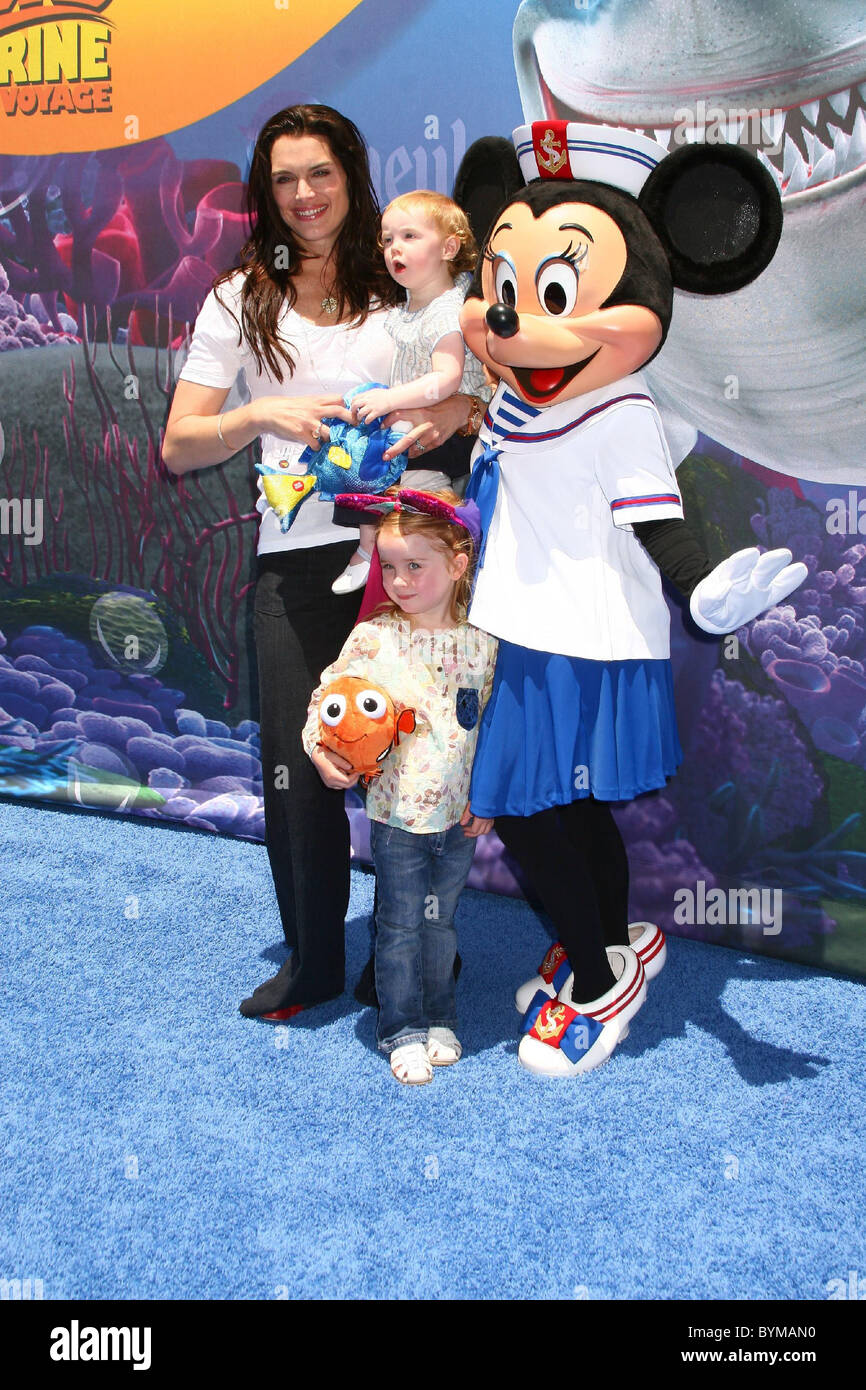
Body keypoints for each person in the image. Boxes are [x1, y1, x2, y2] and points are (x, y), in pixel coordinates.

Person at [162, 104, 479, 1020]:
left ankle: (409, 950)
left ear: (352, 173)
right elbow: (182, 442)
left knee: (413, 760)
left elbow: (469, 397)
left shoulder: (407, 282)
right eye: (286, 177)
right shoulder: (238, 297)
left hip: (406, 563)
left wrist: (434, 422)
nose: (305, 195)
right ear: (268, 189)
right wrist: (262, 416)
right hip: (295, 564)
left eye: (322, 173)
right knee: (299, 769)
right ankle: (313, 959)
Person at [302, 490, 498, 1084]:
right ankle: (402, 1029)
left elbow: (494, 728)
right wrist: (317, 748)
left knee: (441, 924)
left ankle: (440, 1017)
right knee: (399, 924)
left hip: (460, 817)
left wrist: (488, 796)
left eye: (416, 566)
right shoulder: (373, 638)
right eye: (389, 567)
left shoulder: (484, 641)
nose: (400, 581)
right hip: (395, 817)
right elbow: (328, 699)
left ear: (459, 564)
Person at [331, 191, 489, 594]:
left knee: (376, 469)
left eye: (409, 236)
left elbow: (447, 377)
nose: (394, 248)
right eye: (387, 239)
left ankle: (380, 552)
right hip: (417, 430)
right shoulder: (406, 309)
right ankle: (369, 548)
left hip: (448, 436)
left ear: (449, 247)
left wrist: (390, 399)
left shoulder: (447, 309)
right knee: (352, 458)